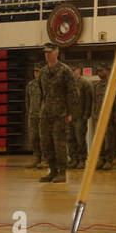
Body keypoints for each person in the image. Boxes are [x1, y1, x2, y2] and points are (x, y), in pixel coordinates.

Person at [36, 44, 73, 182]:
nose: (47, 55)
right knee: (46, 143)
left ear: (56, 52)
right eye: (45, 52)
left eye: (50, 52)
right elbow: (42, 93)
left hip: (60, 114)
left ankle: (62, 172)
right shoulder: (43, 72)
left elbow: (73, 93)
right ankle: (52, 170)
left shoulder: (65, 71)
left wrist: (70, 113)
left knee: (60, 143)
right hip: (46, 114)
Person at [25, 65, 43, 169]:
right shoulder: (30, 85)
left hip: (42, 115)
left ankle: (45, 159)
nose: (36, 74)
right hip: (32, 115)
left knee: (43, 138)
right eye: (35, 72)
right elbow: (27, 100)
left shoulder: (45, 84)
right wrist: (29, 112)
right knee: (34, 137)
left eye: (38, 72)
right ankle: (37, 158)